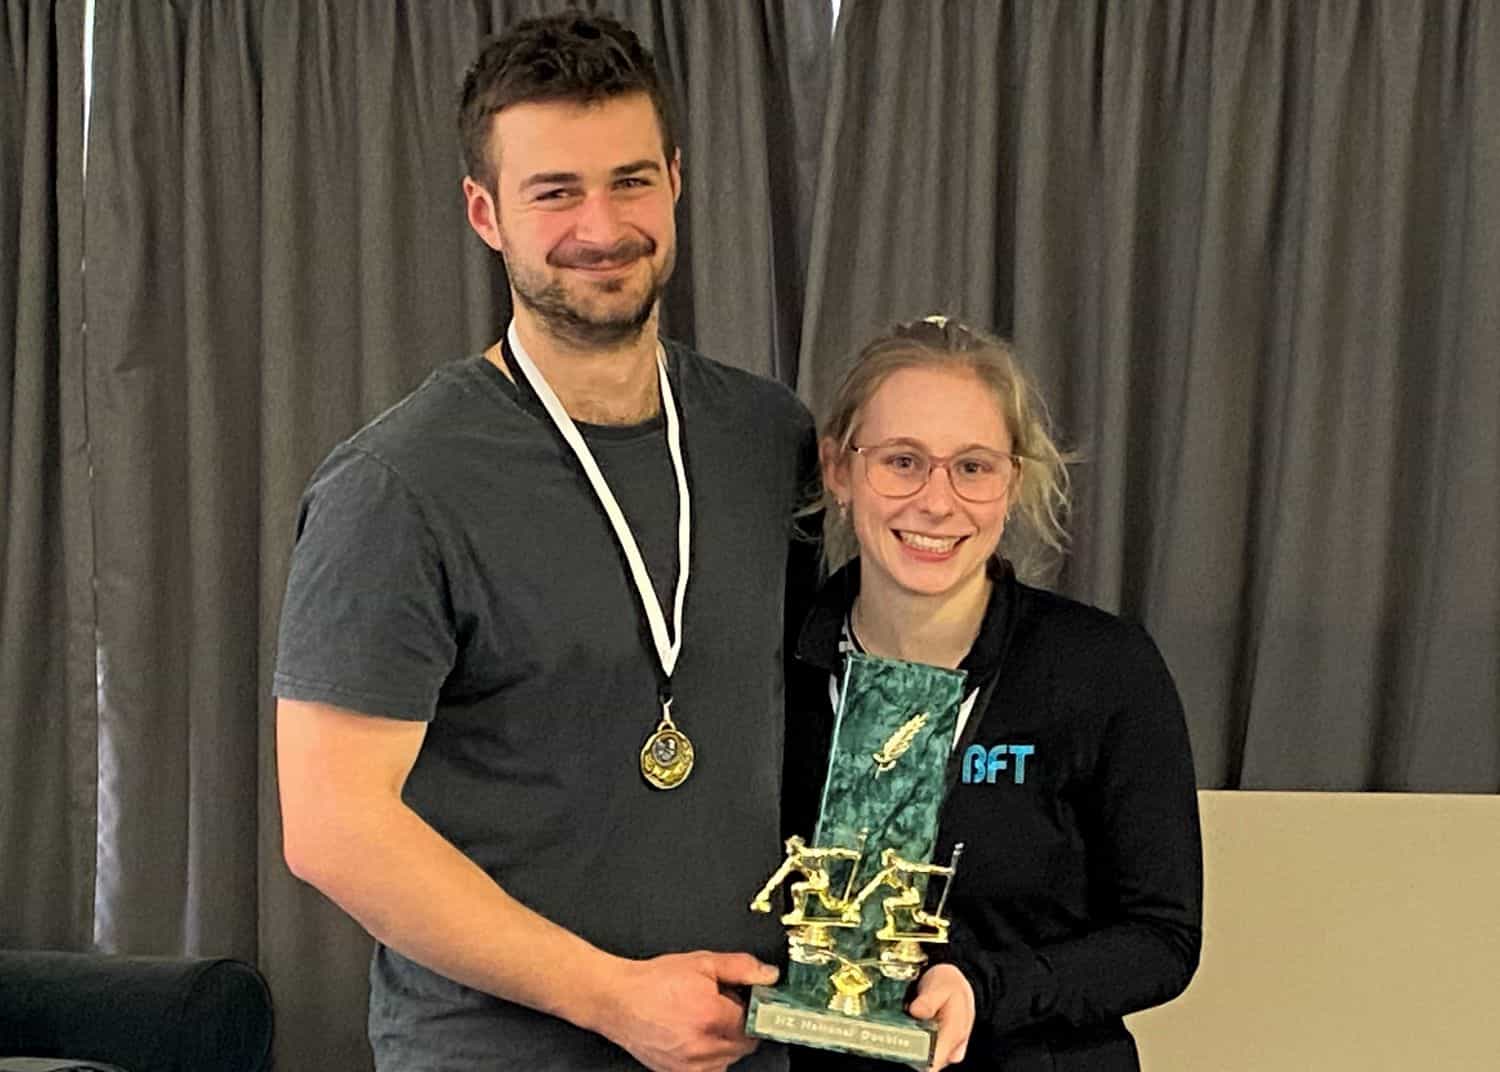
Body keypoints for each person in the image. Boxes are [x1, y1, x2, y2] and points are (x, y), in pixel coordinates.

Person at [274, 14, 815, 1071]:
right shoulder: (397, 485)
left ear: (677, 180)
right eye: (555, 191)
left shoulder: (768, 437)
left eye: (630, 181)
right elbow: (333, 827)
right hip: (498, 1050)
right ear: (486, 213)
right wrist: (611, 997)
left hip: (744, 1041)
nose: (602, 226)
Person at [784, 316, 1202, 1071]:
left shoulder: (1103, 668)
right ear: (839, 471)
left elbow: (1161, 938)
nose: (936, 502)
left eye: (973, 467)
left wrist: (988, 988)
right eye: (902, 461)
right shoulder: (774, 668)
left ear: (1012, 481)